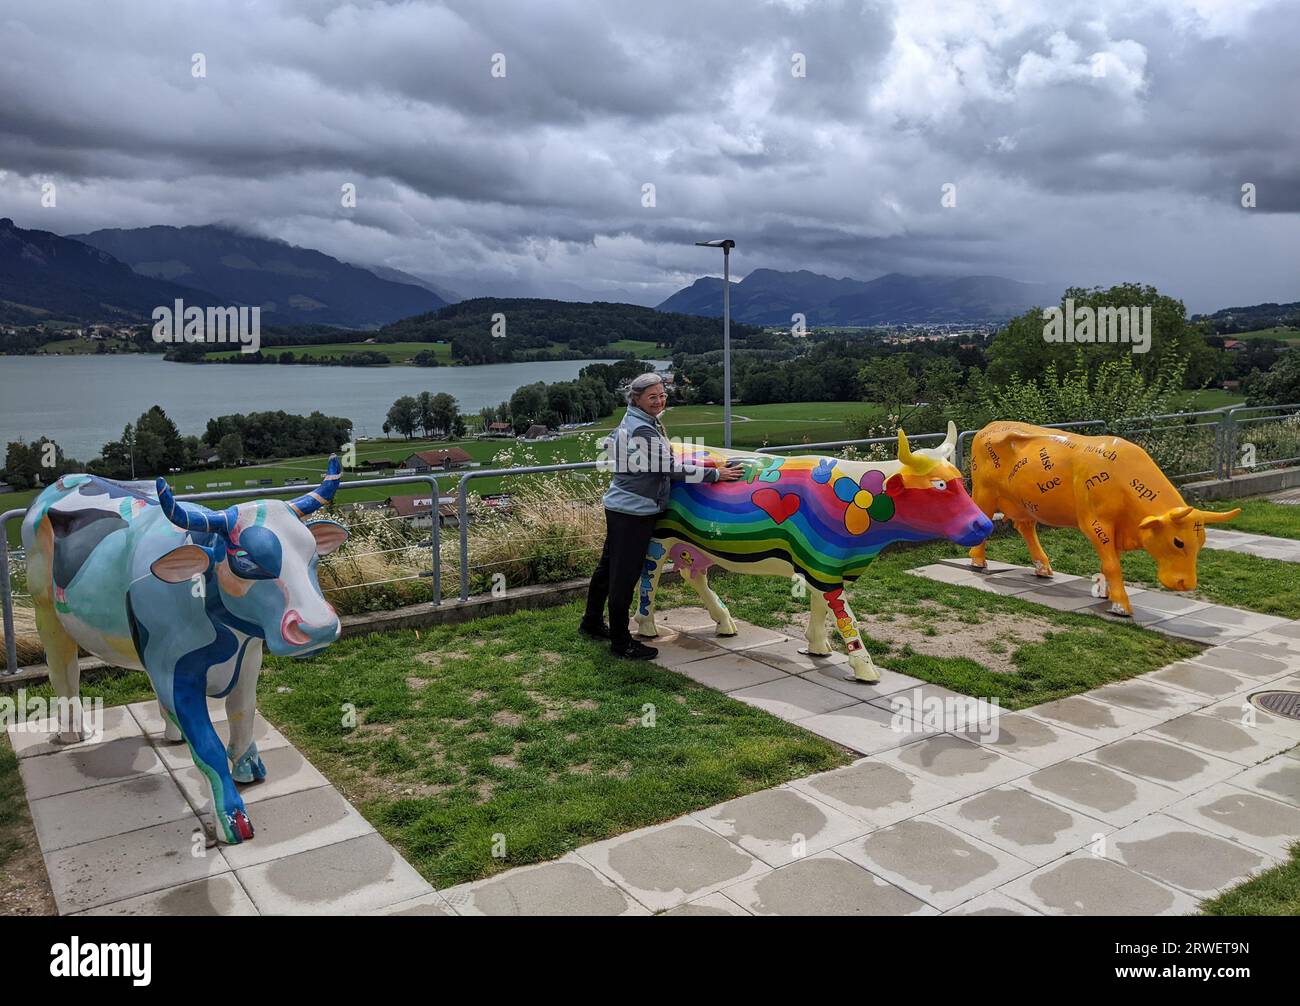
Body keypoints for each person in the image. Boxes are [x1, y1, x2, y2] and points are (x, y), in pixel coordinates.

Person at [580, 372, 743, 658]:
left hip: (621, 505)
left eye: (662, 394)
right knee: (624, 575)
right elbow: (670, 468)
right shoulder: (642, 428)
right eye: (652, 396)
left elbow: (611, 444)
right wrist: (716, 474)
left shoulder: (633, 419)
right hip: (634, 512)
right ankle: (621, 642)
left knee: (608, 568)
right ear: (637, 399)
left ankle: (591, 622)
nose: (659, 400)